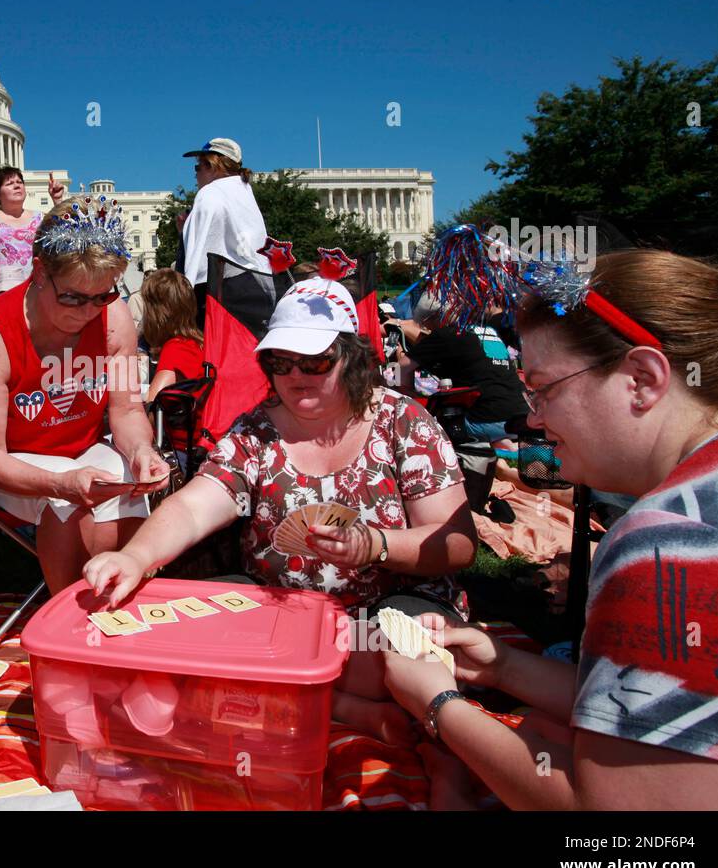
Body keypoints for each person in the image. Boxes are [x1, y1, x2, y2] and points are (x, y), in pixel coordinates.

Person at [381, 249, 718, 810]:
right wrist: (504, 665)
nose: (532, 417)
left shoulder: (672, 541)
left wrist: (437, 704)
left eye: (544, 388)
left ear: (643, 379)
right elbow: (667, 711)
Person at [85, 277, 478, 740]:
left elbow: (455, 545)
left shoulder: (403, 422)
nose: (295, 375)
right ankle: (341, 704)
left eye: (314, 360)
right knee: (188, 625)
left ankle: (297, 691)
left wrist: (376, 545)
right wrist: (135, 555)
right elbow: (195, 506)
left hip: (387, 608)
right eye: (280, 361)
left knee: (402, 654)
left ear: (351, 355)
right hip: (282, 609)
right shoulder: (256, 430)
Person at [0, 201, 172, 594]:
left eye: (101, 296)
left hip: (76, 450)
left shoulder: (112, 317)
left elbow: (127, 408)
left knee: (130, 480)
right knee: (67, 501)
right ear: (39, 272)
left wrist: (141, 453)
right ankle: (71, 613)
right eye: (72, 297)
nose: (87, 311)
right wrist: (60, 483)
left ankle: (122, 605)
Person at [176, 138, 287, 338]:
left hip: (220, 291)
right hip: (258, 286)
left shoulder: (209, 193)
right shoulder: (244, 192)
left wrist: (183, 299)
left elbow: (199, 251)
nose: (195, 173)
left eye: (198, 167)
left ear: (212, 166)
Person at [394, 292, 529, 444]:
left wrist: (408, 397)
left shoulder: (445, 334)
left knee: (432, 429)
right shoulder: (487, 331)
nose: (427, 328)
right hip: (520, 412)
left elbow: (401, 368)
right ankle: (502, 462)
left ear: (434, 316)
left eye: (425, 323)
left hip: (486, 418)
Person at [140, 268, 206, 468]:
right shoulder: (198, 342)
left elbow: (153, 406)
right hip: (198, 447)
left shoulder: (176, 348)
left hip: (181, 452)